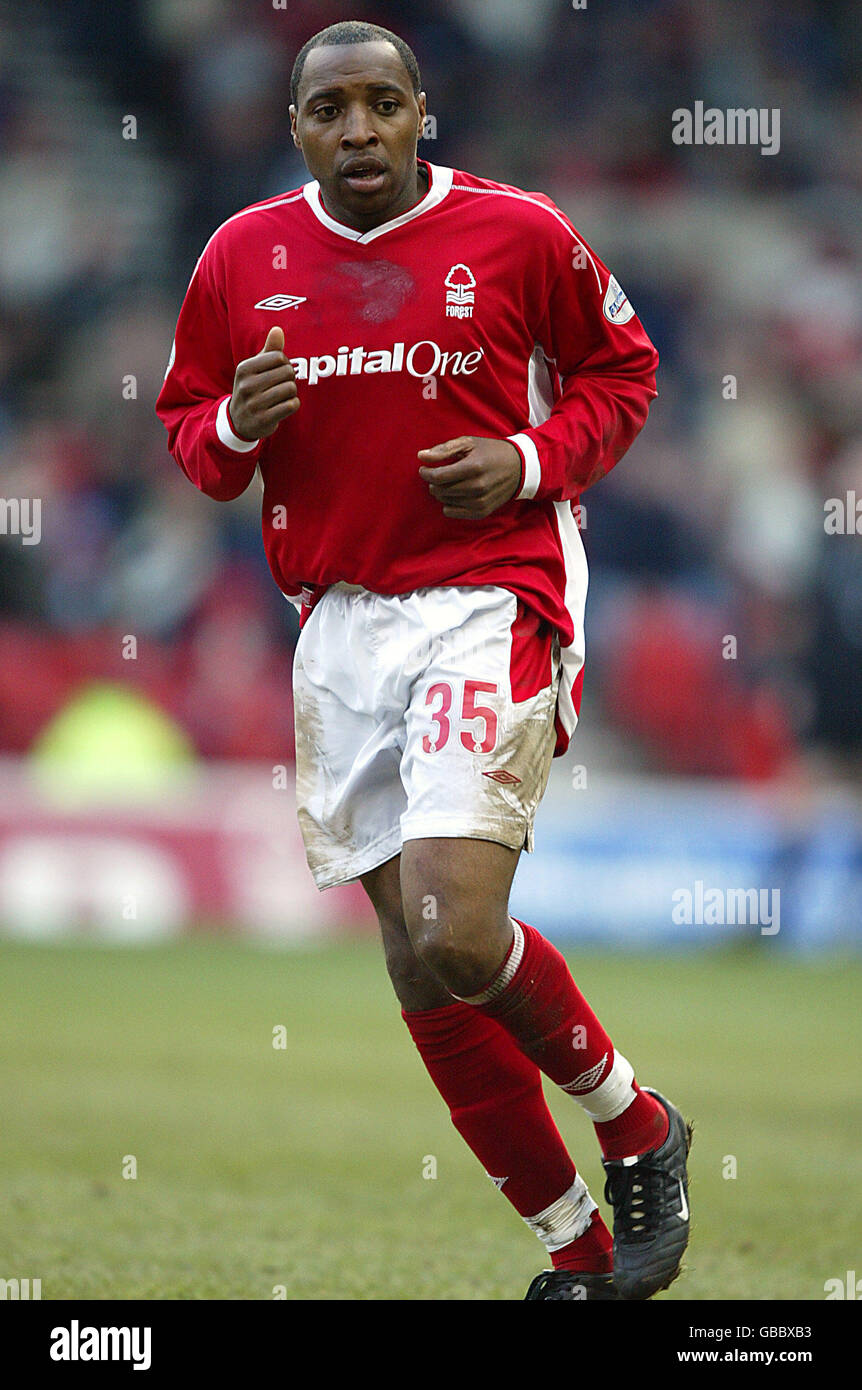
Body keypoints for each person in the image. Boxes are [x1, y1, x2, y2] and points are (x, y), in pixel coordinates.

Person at [156, 20, 691, 1301]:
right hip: (337, 620)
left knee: (455, 924)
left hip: (488, 595)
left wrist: (525, 461)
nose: (357, 133)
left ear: (420, 113)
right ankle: (577, 1251)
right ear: (296, 129)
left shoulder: (517, 233)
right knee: (420, 961)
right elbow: (191, 434)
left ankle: (638, 1125)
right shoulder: (242, 256)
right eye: (329, 110)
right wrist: (238, 416)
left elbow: (625, 372)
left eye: (381, 106)